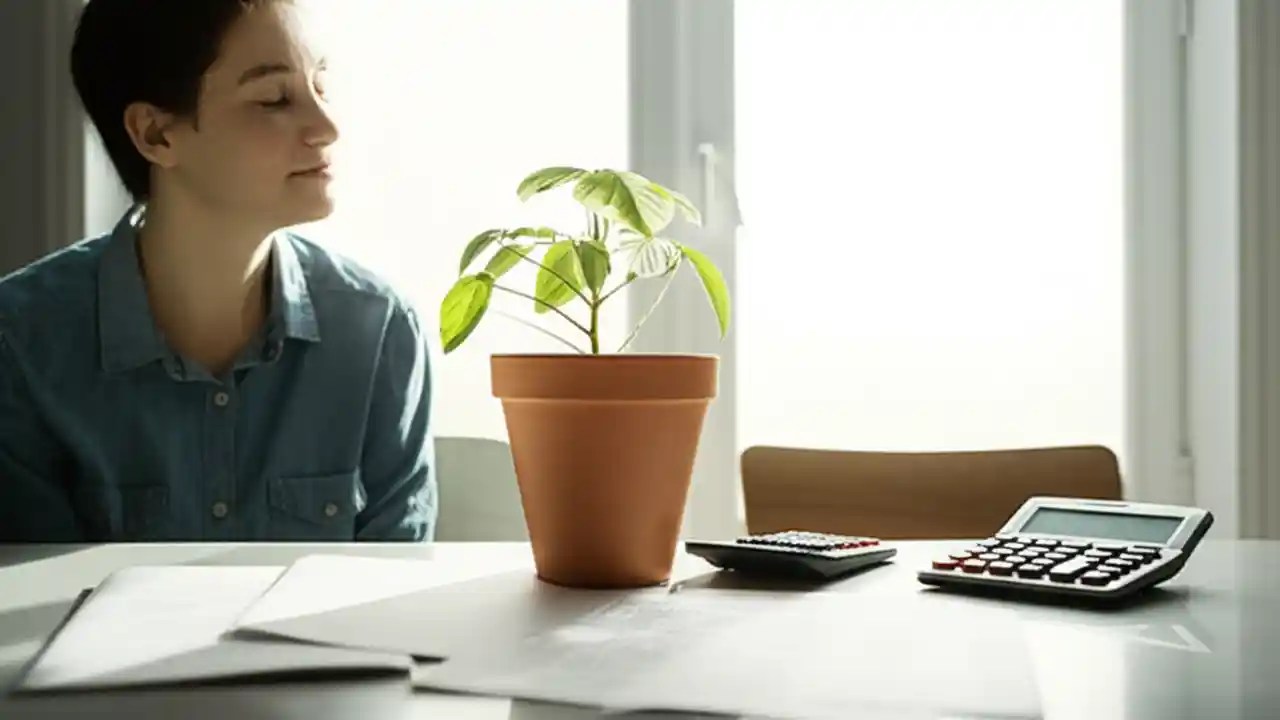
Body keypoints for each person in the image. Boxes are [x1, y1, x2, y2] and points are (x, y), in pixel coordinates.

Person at [0, 0, 436, 542]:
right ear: (157, 135)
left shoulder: (380, 331)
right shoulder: (19, 344)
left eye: (320, 88)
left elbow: (387, 599)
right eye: (275, 99)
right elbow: (26, 609)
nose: (327, 127)